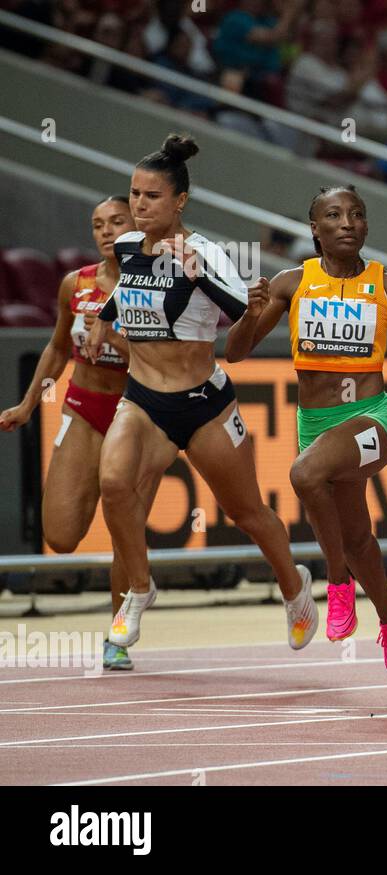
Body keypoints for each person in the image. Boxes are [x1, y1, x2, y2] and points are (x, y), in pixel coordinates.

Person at [226, 185, 387, 676]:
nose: (347, 223)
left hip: (373, 417)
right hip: (315, 423)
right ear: (314, 229)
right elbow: (235, 353)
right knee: (358, 538)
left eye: (357, 215)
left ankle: (337, 585)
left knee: (304, 475)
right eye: (334, 216)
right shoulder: (291, 283)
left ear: (366, 227)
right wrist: (249, 312)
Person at [89, 134, 317, 655]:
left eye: (151, 197)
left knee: (247, 512)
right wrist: (103, 319)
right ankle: (140, 590)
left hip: (203, 406)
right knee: (114, 484)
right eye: (134, 195)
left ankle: (294, 588)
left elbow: (241, 326)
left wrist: (195, 273)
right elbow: (128, 288)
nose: (138, 206)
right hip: (143, 399)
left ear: (180, 202)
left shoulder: (208, 252)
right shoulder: (128, 247)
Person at [0, 197, 149, 671]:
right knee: (61, 535)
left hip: (140, 414)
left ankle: (117, 636)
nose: (106, 232)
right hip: (84, 408)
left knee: (125, 533)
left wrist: (115, 337)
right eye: (98, 225)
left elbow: (172, 360)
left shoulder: (156, 283)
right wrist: (27, 404)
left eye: (117, 223)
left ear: (138, 226)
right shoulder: (75, 284)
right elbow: (58, 347)